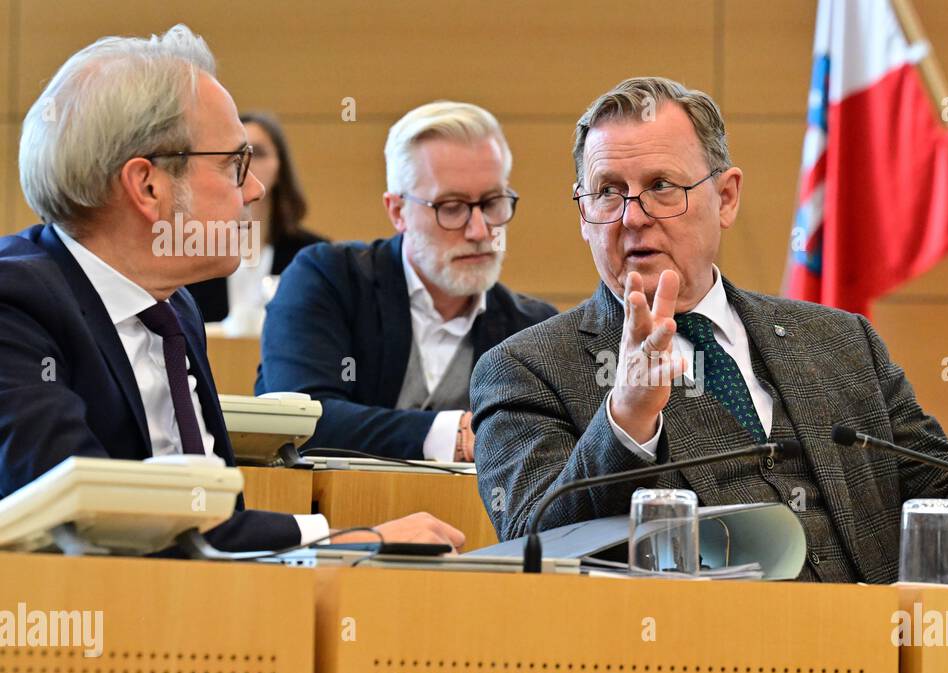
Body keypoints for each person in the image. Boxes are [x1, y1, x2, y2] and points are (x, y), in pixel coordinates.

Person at [470, 77, 948, 583]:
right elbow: (536, 555)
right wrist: (625, 420)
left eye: (662, 186)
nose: (632, 216)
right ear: (582, 210)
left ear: (726, 197)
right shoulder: (528, 369)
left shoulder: (840, 345)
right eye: (608, 193)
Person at [0, 25, 463, 552]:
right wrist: (340, 536)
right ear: (148, 186)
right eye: (233, 164)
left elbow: (207, 529)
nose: (256, 188)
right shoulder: (14, 303)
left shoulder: (175, 309)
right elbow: (91, 521)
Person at [257, 101, 556, 462]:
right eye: (451, 206)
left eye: (493, 202)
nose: (480, 230)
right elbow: (299, 421)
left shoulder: (534, 329)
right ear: (398, 211)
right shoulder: (328, 280)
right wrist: (455, 434)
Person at [187, 112, 327, 329]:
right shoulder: (194, 252)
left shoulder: (312, 254)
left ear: (280, 167)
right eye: (236, 155)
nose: (246, 164)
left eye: (258, 153)